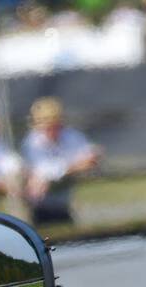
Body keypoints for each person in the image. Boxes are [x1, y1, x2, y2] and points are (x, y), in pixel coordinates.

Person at [20, 96, 101, 227]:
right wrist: (73, 167)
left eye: (55, 124)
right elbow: (44, 171)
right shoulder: (31, 142)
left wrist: (61, 170)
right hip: (40, 207)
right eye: (46, 125)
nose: (52, 129)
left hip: (65, 203)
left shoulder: (71, 135)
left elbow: (91, 157)